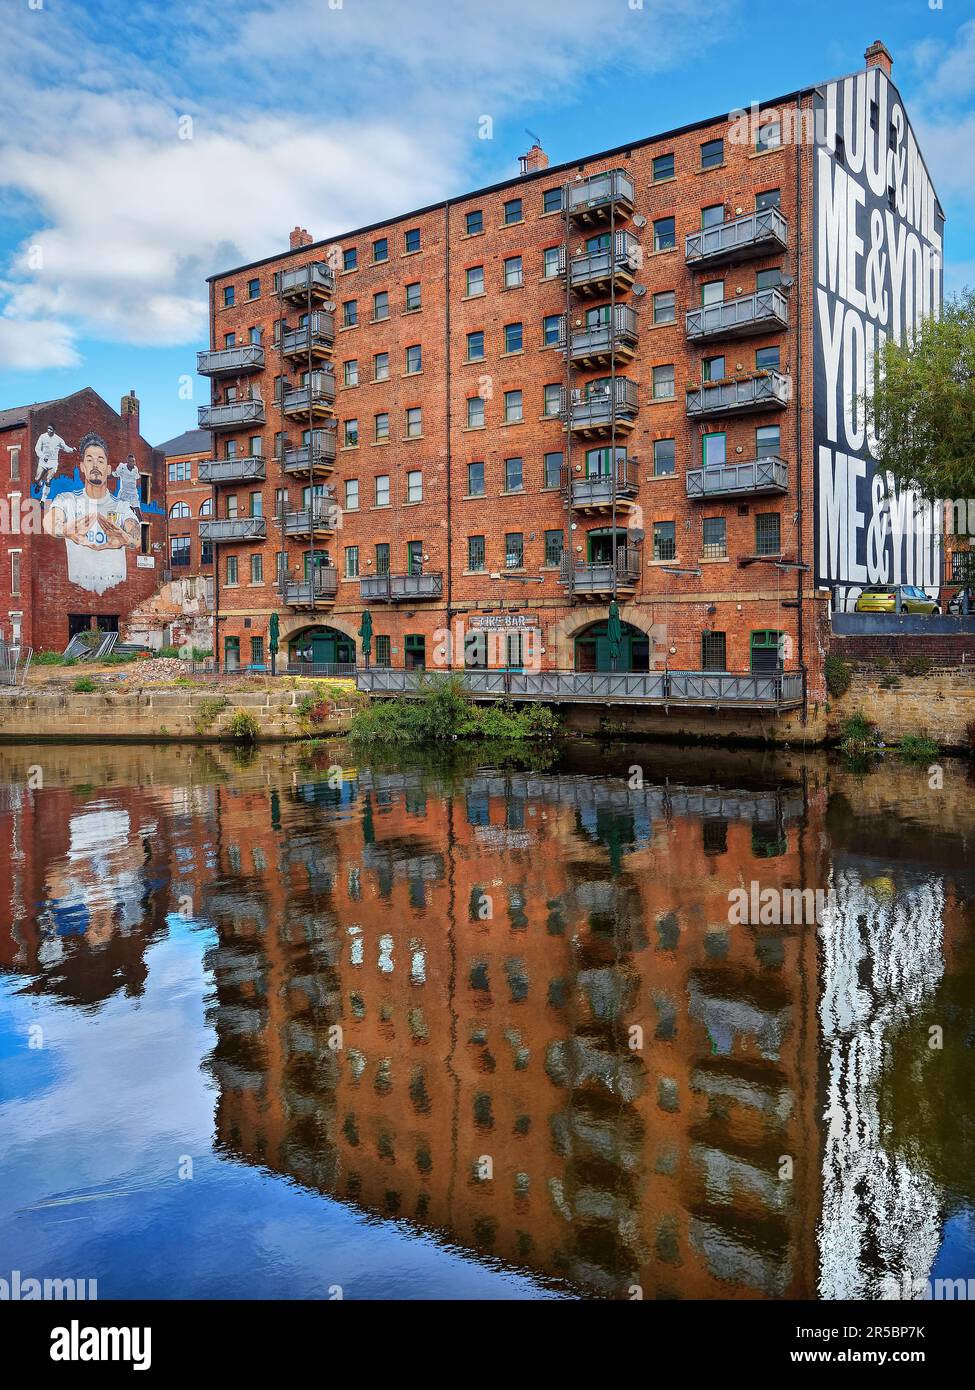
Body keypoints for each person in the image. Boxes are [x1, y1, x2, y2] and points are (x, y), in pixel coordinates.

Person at [42, 432, 139, 595]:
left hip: (115, 592)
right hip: (77, 592)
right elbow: (49, 521)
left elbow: (137, 534)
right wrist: (65, 530)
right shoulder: (67, 500)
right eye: (89, 460)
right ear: (82, 467)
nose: (95, 464)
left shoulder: (121, 506)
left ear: (108, 469)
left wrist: (126, 538)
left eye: (100, 460)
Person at [34, 424, 74, 500]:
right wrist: (43, 456)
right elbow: (37, 449)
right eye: (48, 429)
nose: (49, 430)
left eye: (51, 429)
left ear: (54, 431)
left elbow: (65, 447)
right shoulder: (42, 437)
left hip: (53, 462)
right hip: (43, 462)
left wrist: (72, 450)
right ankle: (39, 484)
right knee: (37, 479)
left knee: (48, 480)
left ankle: (43, 499)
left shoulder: (58, 440)